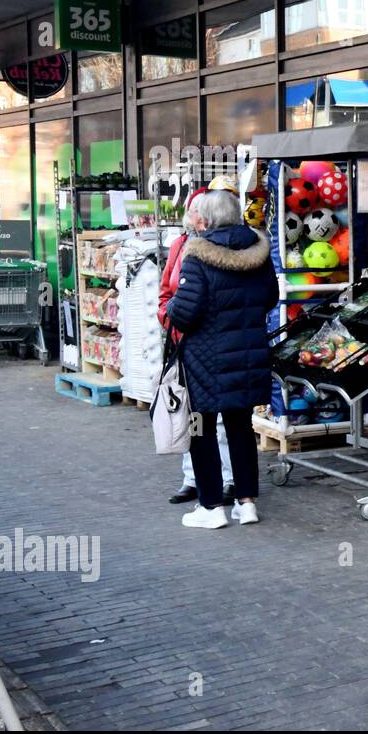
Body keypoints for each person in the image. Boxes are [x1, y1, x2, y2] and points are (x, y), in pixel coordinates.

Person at [166, 189, 278, 529]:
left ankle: (211, 506)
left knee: (201, 430)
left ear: (207, 219)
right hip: (248, 354)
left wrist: (170, 309)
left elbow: (184, 312)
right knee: (240, 427)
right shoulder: (259, 253)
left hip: (205, 360)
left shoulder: (198, 255)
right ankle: (247, 504)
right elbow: (270, 297)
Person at [157, 188, 236, 506]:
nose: (192, 217)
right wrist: (167, 317)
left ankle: (228, 479)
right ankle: (193, 477)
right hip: (183, 344)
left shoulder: (219, 249)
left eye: (196, 212)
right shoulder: (179, 246)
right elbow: (166, 289)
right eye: (191, 211)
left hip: (211, 345)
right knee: (191, 414)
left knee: (218, 420)